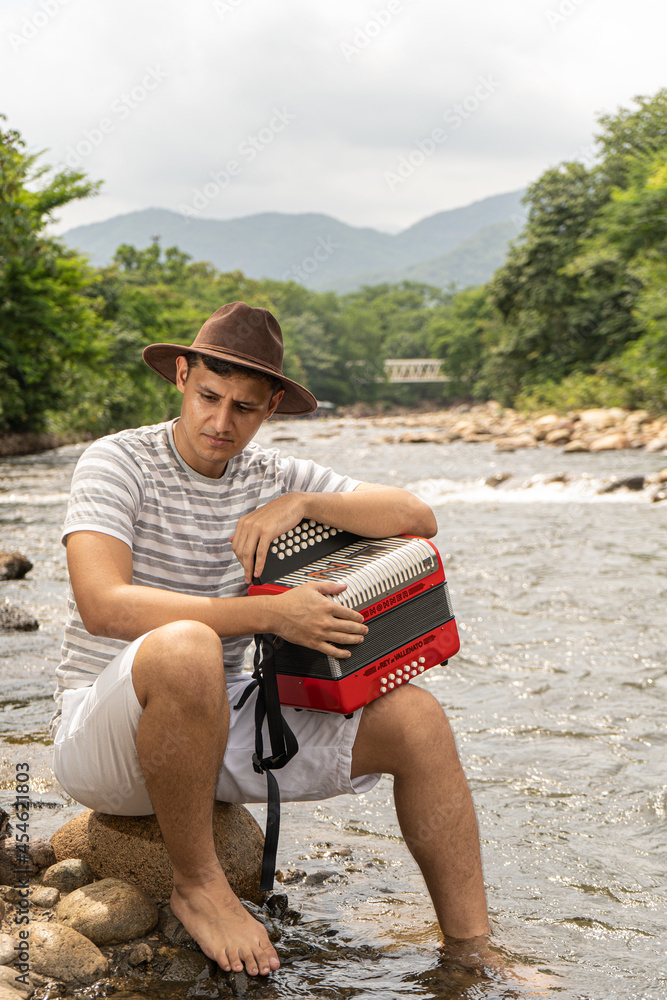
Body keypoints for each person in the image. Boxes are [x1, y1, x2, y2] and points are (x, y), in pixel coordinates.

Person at [51, 301, 490, 978]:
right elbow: (103, 605)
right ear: (179, 376)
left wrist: (307, 504)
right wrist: (272, 615)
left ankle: (471, 953)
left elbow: (416, 516)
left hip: (214, 727)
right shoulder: (117, 461)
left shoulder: (276, 476)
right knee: (187, 644)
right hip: (104, 736)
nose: (221, 423)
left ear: (272, 406)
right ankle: (199, 884)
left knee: (417, 719)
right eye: (208, 397)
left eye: (245, 409)